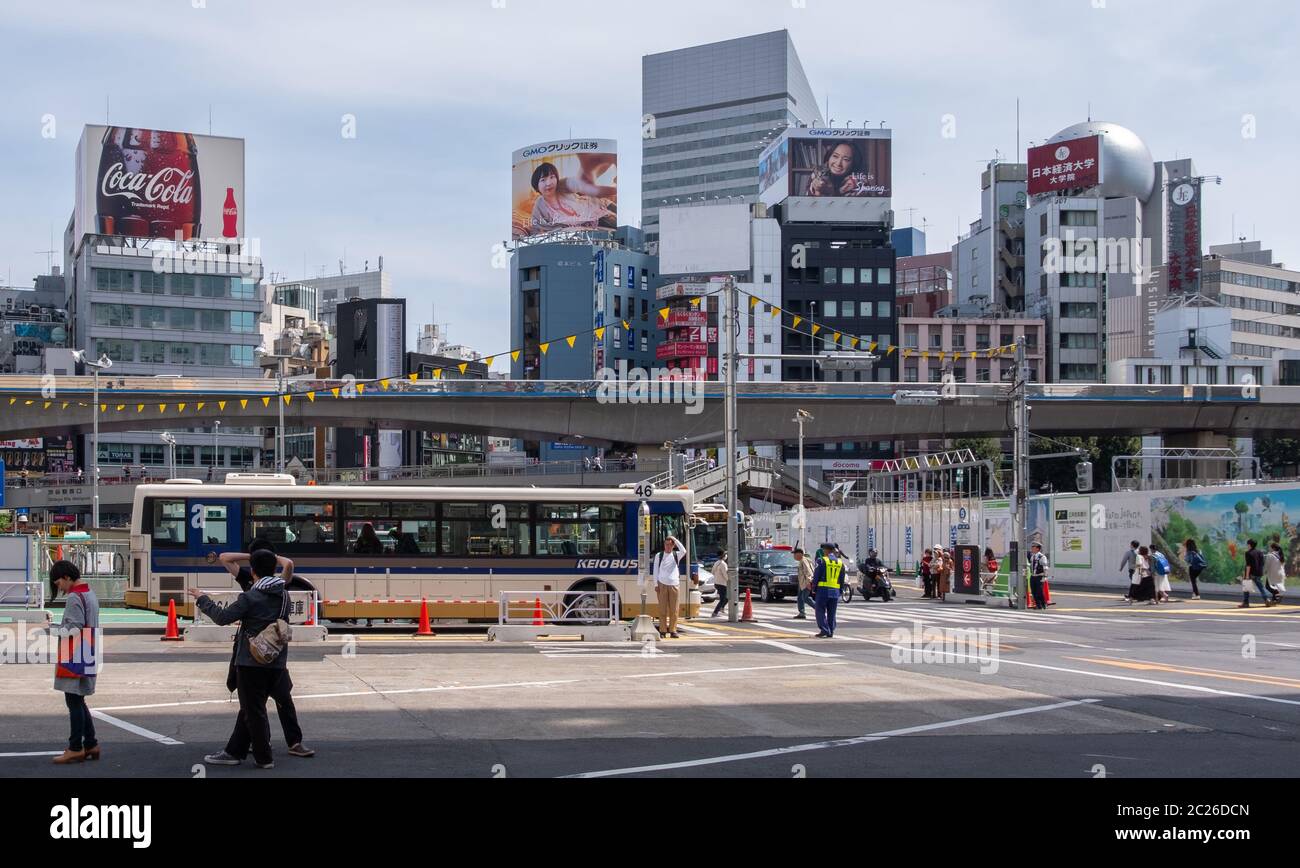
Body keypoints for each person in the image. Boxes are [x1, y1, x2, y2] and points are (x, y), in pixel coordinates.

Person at [191, 549, 294, 769]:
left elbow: (222, 617)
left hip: (251, 661)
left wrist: (202, 599)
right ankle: (233, 752)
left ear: (253, 571)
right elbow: (289, 564)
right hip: (276, 661)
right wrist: (274, 557)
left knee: (253, 710)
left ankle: (264, 757)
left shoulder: (251, 596)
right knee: (250, 708)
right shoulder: (284, 593)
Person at [217, 541, 314, 759]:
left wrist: (260, 557)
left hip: (256, 651)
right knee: (271, 702)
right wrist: (260, 557)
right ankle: (284, 742)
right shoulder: (278, 584)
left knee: (253, 704)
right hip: (272, 651)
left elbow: (224, 557)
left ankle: (257, 748)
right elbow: (287, 563)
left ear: (253, 567)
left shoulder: (259, 584)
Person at [50, 561, 100, 764]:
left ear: (67, 577)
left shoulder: (74, 597)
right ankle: (90, 743)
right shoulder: (90, 593)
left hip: (75, 654)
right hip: (88, 649)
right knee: (79, 699)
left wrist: (55, 630)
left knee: (73, 700)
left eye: (58, 582)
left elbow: (74, 627)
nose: (59, 587)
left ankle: (75, 747)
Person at [528, 161, 615, 235]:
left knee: (621, 225)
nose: (549, 183)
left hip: (598, 209)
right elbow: (535, 229)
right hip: (587, 227)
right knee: (614, 235)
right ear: (536, 185)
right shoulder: (539, 205)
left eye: (552, 177)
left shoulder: (561, 185)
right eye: (543, 180)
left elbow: (576, 183)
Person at [653, 535, 686, 638]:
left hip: (674, 584)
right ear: (664, 545)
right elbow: (655, 570)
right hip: (662, 584)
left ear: (673, 546)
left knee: (674, 609)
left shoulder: (677, 555)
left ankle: (673, 630)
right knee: (662, 609)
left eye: (670, 545)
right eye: (666, 544)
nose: (667, 547)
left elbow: (684, 550)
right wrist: (655, 584)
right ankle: (662, 630)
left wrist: (675, 539)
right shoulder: (659, 555)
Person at [812, 542, 844, 638]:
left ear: (825, 550)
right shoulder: (840, 562)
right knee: (832, 612)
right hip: (835, 590)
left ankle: (824, 629)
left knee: (820, 610)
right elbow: (841, 579)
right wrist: (840, 591)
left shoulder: (821, 561)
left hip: (823, 590)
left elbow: (816, 576)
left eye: (824, 549)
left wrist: (814, 587)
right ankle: (831, 630)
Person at [1241, 539, 1275, 608]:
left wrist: (1247, 576)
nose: (1247, 545)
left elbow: (1248, 565)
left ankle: (1246, 602)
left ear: (1249, 545)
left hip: (1251, 573)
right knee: (1261, 587)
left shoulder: (1248, 553)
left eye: (1247, 544)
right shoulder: (1260, 552)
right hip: (1259, 572)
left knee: (1246, 587)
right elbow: (1262, 563)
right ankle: (1267, 599)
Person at [793, 546, 814, 620]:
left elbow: (808, 572)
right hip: (802, 583)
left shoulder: (804, 560)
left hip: (806, 583)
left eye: (795, 554)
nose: (794, 556)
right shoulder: (802, 560)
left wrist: (808, 582)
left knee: (805, 598)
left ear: (799, 554)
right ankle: (802, 612)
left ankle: (818, 609)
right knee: (800, 598)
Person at [1028, 543, 1050, 611]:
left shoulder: (1042, 557)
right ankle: (1038, 605)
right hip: (1033, 576)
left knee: (1039, 591)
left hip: (1039, 576)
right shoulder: (1032, 556)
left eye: (1033, 547)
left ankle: (1043, 604)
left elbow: (1045, 567)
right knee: (1033, 591)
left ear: (1038, 548)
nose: (1032, 548)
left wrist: (1045, 577)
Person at [709, 552, 730, 618]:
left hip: (717, 582)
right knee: (723, 599)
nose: (726, 556)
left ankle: (721, 608)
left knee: (726, 597)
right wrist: (729, 580)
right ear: (724, 556)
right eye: (725, 555)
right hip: (722, 583)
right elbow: (725, 574)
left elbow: (712, 571)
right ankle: (715, 612)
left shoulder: (716, 562)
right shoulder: (723, 564)